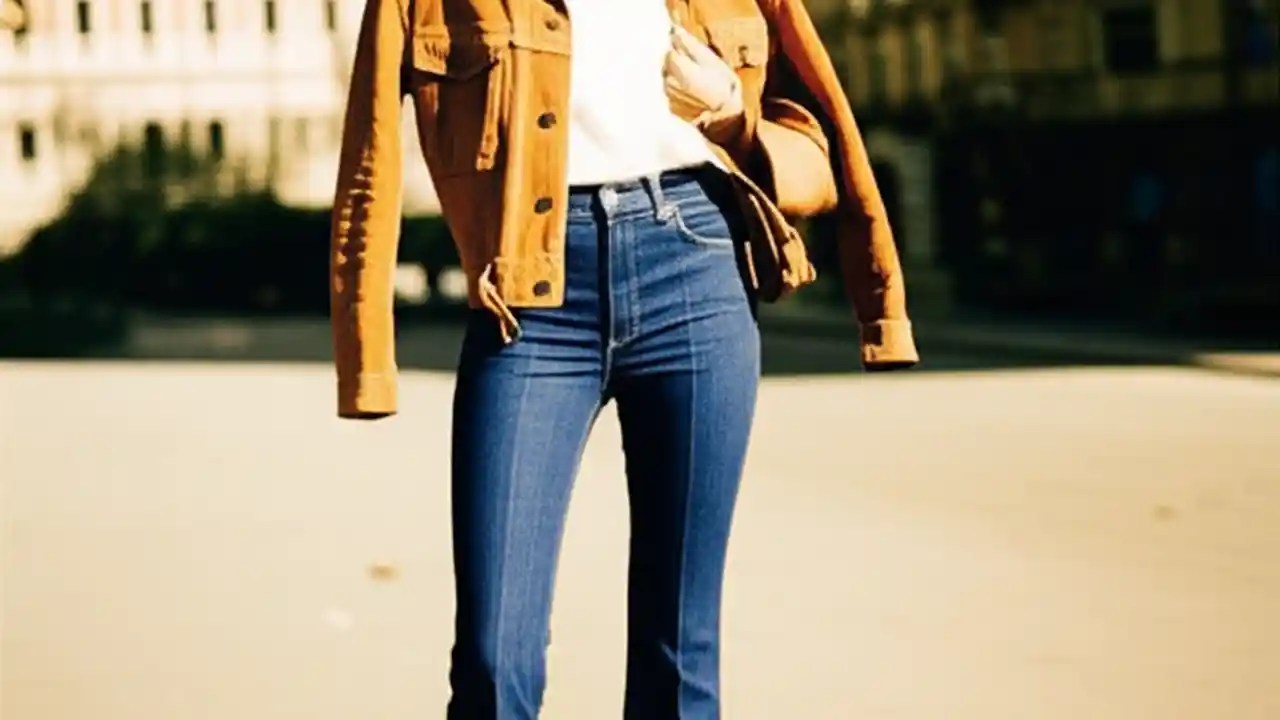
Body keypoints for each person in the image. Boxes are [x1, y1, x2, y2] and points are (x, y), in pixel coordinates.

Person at [329, 0, 918, 717]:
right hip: (527, 298)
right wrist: (366, 353)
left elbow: (821, 125)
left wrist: (733, 112)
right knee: (491, 661)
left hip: (696, 262)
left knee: (679, 650)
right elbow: (370, 154)